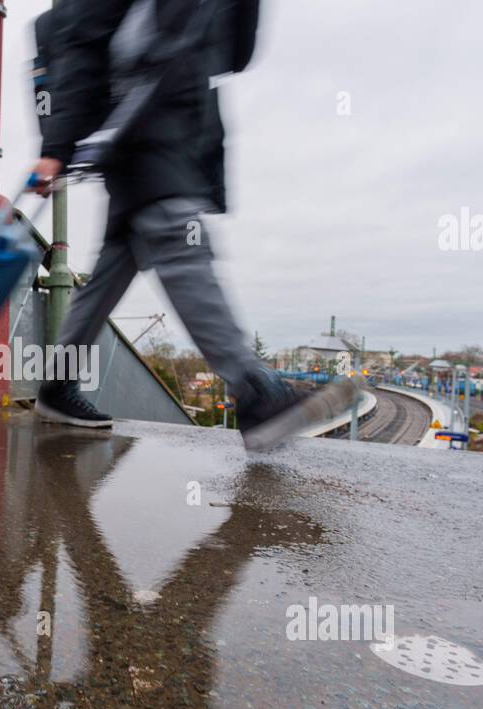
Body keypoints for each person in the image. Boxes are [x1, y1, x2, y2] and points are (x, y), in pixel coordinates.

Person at [30, 0, 353, 450]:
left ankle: (57, 386)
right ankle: (256, 393)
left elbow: (234, 54)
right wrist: (57, 148)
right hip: (139, 129)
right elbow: (80, 47)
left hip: (177, 128)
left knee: (114, 267)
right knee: (179, 240)